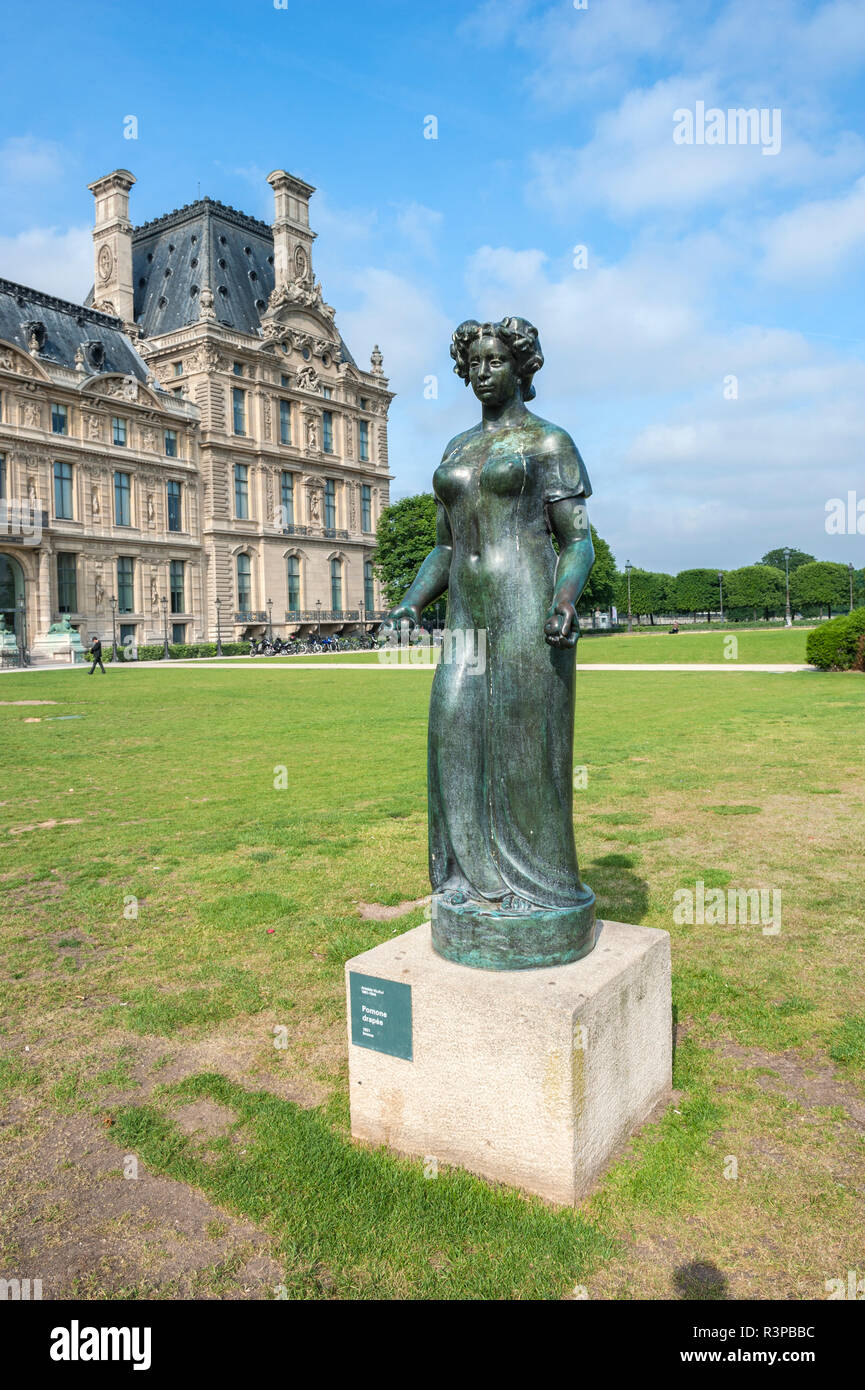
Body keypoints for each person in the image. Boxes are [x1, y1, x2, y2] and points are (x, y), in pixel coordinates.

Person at [378, 316, 596, 969]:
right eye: (472, 361)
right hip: (468, 622)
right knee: (454, 738)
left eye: (494, 360)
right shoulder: (455, 447)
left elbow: (577, 538)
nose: (481, 371)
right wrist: (411, 603)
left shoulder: (548, 441)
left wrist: (563, 600)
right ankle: (472, 884)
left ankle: (540, 893)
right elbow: (444, 547)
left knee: (525, 755)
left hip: (528, 613)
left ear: (521, 366)